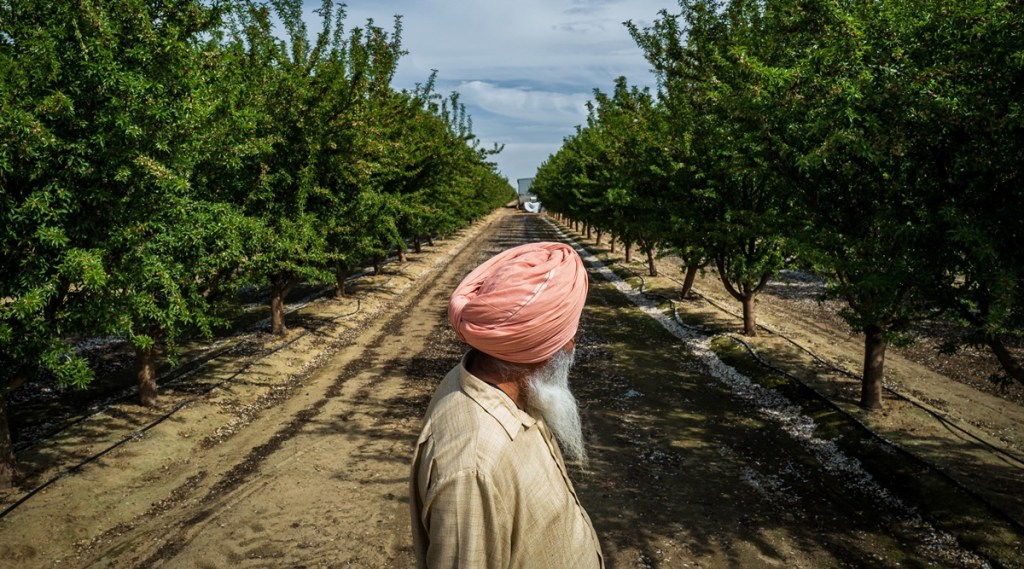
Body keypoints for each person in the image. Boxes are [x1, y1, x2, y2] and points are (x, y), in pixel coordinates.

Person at [410, 242, 604, 569]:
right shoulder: (473, 468)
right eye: (568, 331)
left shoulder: (496, 384)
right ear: (538, 345)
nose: (572, 343)